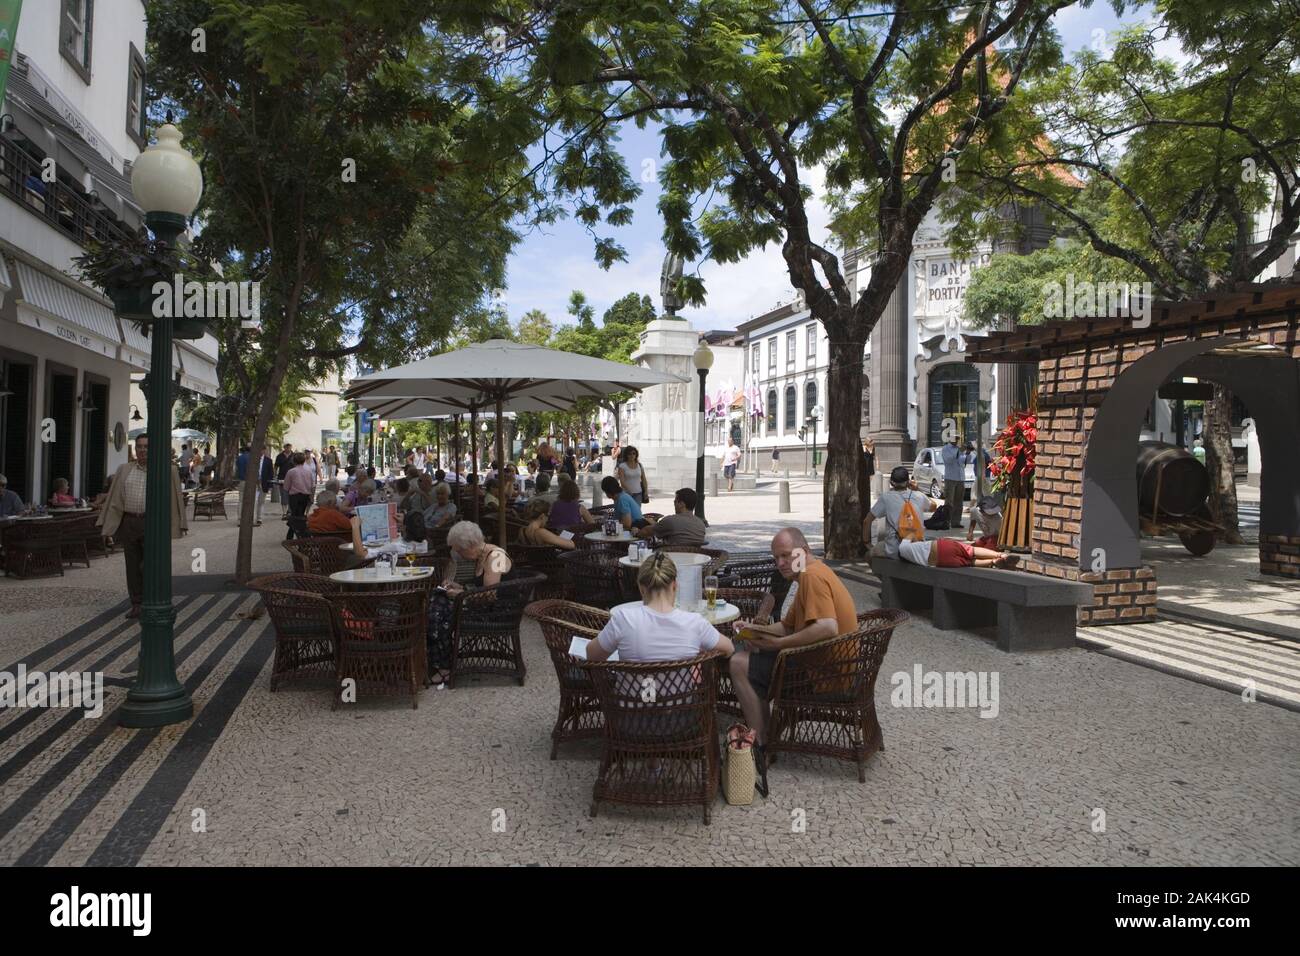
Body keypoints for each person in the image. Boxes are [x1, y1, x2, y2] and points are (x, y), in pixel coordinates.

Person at [729, 528, 856, 755]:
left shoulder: (811, 577)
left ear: (803, 551)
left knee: (738, 663)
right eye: (776, 557)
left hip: (827, 675)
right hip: (830, 664)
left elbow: (827, 626)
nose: (780, 563)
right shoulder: (812, 571)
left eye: (786, 555)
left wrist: (778, 644)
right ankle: (766, 733)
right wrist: (755, 630)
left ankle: (761, 744)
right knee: (749, 650)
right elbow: (787, 626)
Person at [97, 435, 187, 619]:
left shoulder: (167, 470)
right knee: (132, 565)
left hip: (153, 522)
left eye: (146, 447)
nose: (143, 450)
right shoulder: (124, 470)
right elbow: (114, 497)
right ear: (135, 449)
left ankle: (155, 599)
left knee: (151, 564)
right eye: (139, 447)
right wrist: (108, 524)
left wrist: (179, 524)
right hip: (130, 521)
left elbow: (176, 499)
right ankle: (136, 604)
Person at [587, 551, 734, 663]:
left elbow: (592, 655)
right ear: (675, 586)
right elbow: (729, 649)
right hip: (683, 695)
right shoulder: (695, 623)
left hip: (633, 695)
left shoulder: (623, 620)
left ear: (641, 588)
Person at [427, 522, 514, 687]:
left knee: (439, 612)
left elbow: (490, 595)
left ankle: (444, 666)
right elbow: (481, 588)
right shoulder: (482, 556)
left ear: (471, 546)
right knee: (437, 601)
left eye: (460, 551)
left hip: (498, 612)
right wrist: (458, 586)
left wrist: (460, 594)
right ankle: (440, 660)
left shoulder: (496, 557)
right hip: (485, 607)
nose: (459, 555)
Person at [863, 466, 940, 558]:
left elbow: (867, 521)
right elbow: (933, 507)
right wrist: (918, 490)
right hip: (917, 548)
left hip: (893, 549)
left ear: (891, 482)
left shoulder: (886, 498)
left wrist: (867, 543)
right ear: (908, 482)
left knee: (868, 555)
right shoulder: (919, 496)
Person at [898, 534, 1018, 569]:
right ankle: (1001, 555)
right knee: (971, 551)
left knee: (970, 563)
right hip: (941, 546)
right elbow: (911, 534)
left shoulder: (909, 558)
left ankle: (993, 562)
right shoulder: (903, 547)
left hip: (940, 561)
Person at [638, 487, 706, 547]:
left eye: (675, 502)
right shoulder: (701, 524)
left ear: (681, 504)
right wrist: (655, 524)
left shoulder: (670, 521)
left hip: (671, 556)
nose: (674, 505)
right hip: (695, 557)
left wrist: (636, 531)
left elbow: (645, 532)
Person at [941, 438, 973, 530]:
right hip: (950, 478)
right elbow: (948, 460)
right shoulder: (946, 448)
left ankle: (956, 522)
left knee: (959, 502)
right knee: (949, 501)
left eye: (957, 439)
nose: (956, 440)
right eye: (955, 438)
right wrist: (959, 451)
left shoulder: (959, 449)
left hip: (960, 478)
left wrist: (968, 453)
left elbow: (966, 461)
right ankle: (946, 521)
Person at [283, 452, 315, 538]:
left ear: (294, 461)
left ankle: (298, 533)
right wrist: (311, 497)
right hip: (305, 496)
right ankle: (297, 534)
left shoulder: (291, 472)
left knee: (295, 516)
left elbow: (286, 487)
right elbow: (312, 485)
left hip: (294, 496)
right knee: (299, 515)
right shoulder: (309, 471)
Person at [255, 446, 274, 526]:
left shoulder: (268, 461)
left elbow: (271, 474)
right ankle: (252, 517)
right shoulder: (253, 459)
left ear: (264, 450)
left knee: (261, 502)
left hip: (264, 483)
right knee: (253, 502)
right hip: (254, 483)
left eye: (262, 450)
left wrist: (270, 486)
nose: (260, 451)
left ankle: (259, 518)